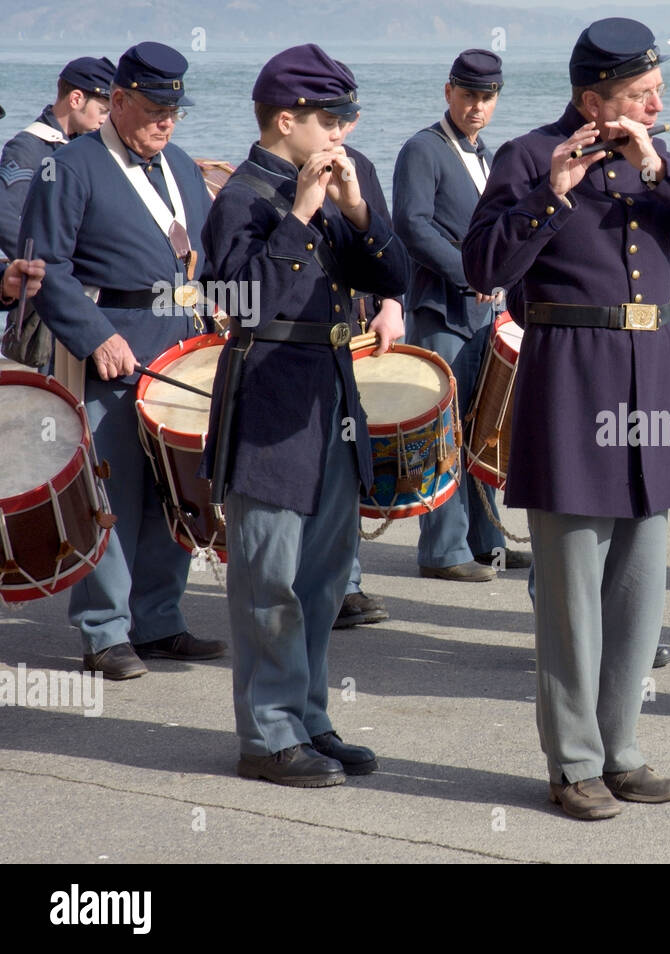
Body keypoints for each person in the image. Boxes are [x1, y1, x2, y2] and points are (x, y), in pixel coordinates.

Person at [462, 17, 670, 819]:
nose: (654, 104)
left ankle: (622, 750)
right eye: (637, 95)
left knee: (636, 589)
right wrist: (550, 197)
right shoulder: (525, 157)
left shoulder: (656, 160)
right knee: (572, 593)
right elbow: (481, 267)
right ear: (592, 97)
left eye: (656, 92)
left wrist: (658, 169)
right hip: (570, 381)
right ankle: (573, 761)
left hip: (652, 378)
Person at [201, 43, 409, 786]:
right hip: (268, 396)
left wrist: (355, 210)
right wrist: (299, 216)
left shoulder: (334, 183)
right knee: (269, 580)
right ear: (284, 119)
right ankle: (267, 734)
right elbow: (236, 301)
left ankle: (310, 717)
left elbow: (393, 274)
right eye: (330, 119)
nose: (342, 133)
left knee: (321, 580)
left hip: (331, 395)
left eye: (347, 118)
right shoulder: (243, 197)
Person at [19, 42, 226, 680]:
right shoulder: (71, 165)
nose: (166, 121)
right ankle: (104, 632)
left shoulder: (184, 166)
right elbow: (42, 267)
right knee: (111, 492)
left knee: (176, 488)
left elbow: (206, 257)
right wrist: (96, 336)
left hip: (179, 345)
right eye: (156, 108)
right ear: (122, 100)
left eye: (175, 110)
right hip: (107, 344)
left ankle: (160, 620)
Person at [393, 49, 528, 584]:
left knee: (484, 426)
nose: (477, 106)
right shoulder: (422, 149)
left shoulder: (487, 154)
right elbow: (411, 225)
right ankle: (443, 551)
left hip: (486, 316)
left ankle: (487, 542)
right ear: (448, 92)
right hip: (441, 311)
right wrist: (471, 274)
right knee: (444, 432)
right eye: (468, 94)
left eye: (487, 96)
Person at [333, 103, 397, 629]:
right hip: (303, 340)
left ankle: (346, 582)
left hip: (355, 327)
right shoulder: (259, 178)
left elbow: (387, 245)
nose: (339, 131)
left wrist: (392, 303)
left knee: (349, 463)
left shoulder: (362, 167)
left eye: (346, 119)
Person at [0, 56, 115, 257]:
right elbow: (4, 216)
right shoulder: (28, 148)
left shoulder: (86, 147)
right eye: (103, 111)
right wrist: (42, 267)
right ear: (76, 99)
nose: (104, 120)